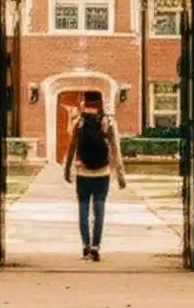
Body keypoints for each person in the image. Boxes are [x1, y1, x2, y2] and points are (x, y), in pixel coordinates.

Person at [62, 90, 126, 262]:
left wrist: (67, 170)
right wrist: (120, 175)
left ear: (85, 103)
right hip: (102, 173)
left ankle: (85, 246)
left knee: (83, 209)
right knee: (99, 210)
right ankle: (96, 247)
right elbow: (115, 150)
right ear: (100, 103)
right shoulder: (108, 123)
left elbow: (71, 148)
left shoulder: (79, 122)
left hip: (82, 173)